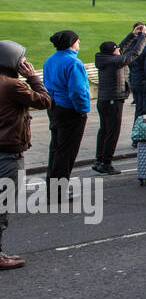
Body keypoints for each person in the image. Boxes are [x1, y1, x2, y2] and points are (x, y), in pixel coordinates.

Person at [0, 41, 51, 269]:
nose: (24, 64)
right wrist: (32, 77)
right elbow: (45, 101)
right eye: (21, 60)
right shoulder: (13, 86)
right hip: (8, 152)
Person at [43, 30, 91, 202]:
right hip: (70, 109)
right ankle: (58, 192)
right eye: (78, 41)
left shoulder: (50, 60)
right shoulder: (73, 62)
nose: (79, 44)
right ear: (72, 43)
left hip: (54, 107)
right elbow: (78, 91)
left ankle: (52, 188)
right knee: (67, 152)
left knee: (56, 148)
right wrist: (83, 110)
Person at [91, 41, 130, 174]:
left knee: (104, 130)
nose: (119, 49)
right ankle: (106, 163)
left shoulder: (104, 59)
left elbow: (122, 48)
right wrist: (143, 36)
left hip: (103, 99)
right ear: (113, 51)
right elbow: (134, 53)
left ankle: (99, 160)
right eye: (117, 49)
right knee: (112, 132)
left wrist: (133, 35)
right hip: (113, 99)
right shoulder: (115, 61)